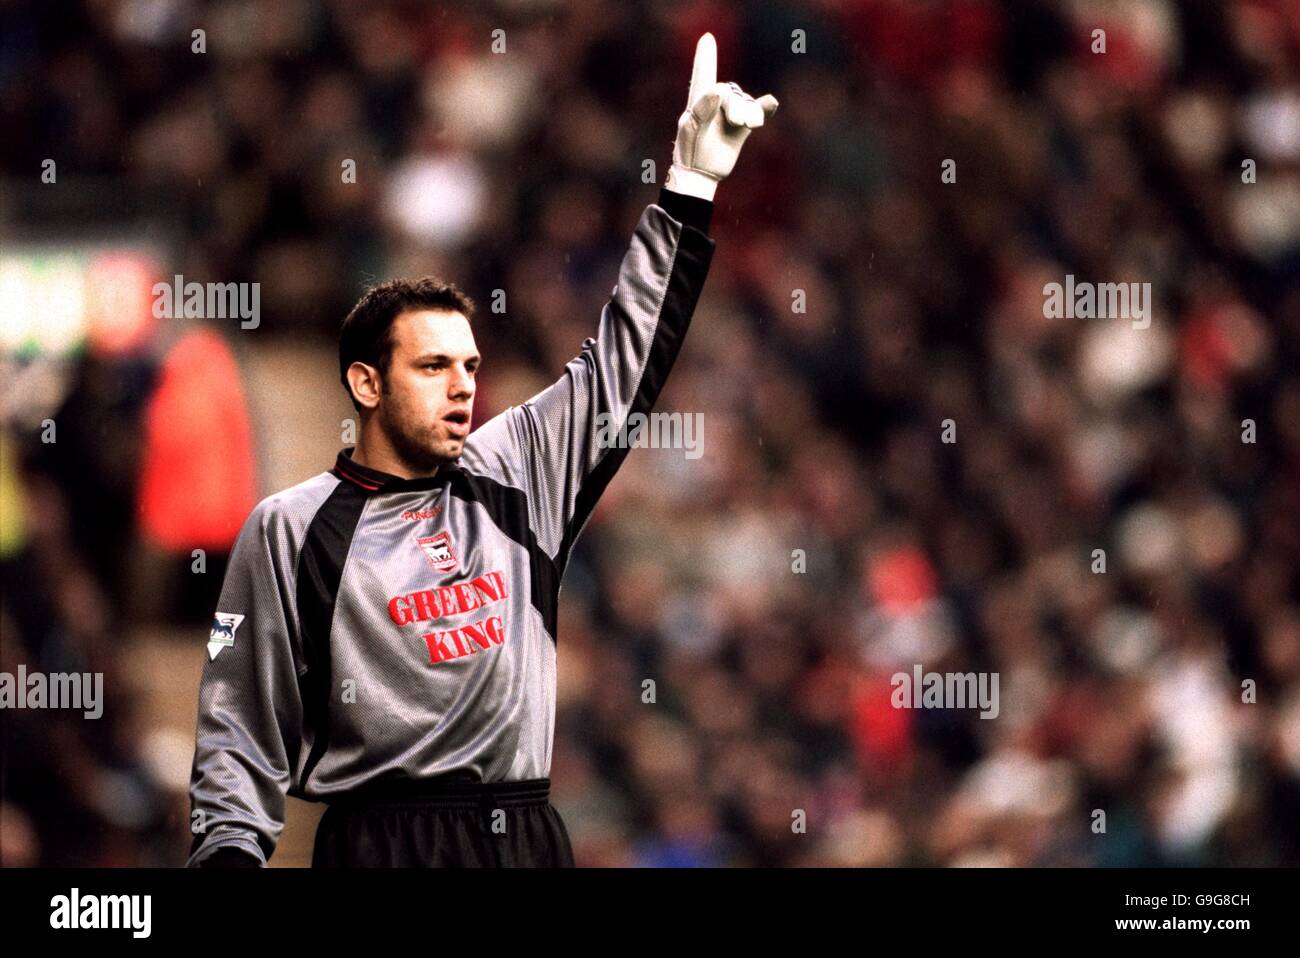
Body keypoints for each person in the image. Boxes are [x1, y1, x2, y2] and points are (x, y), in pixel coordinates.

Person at [186, 33, 778, 868]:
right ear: (365, 384)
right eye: (432, 367)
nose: (463, 385)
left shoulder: (519, 470)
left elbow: (622, 361)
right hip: (376, 843)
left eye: (470, 365)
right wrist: (227, 854)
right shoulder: (290, 529)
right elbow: (240, 729)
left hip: (524, 837)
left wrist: (690, 189)